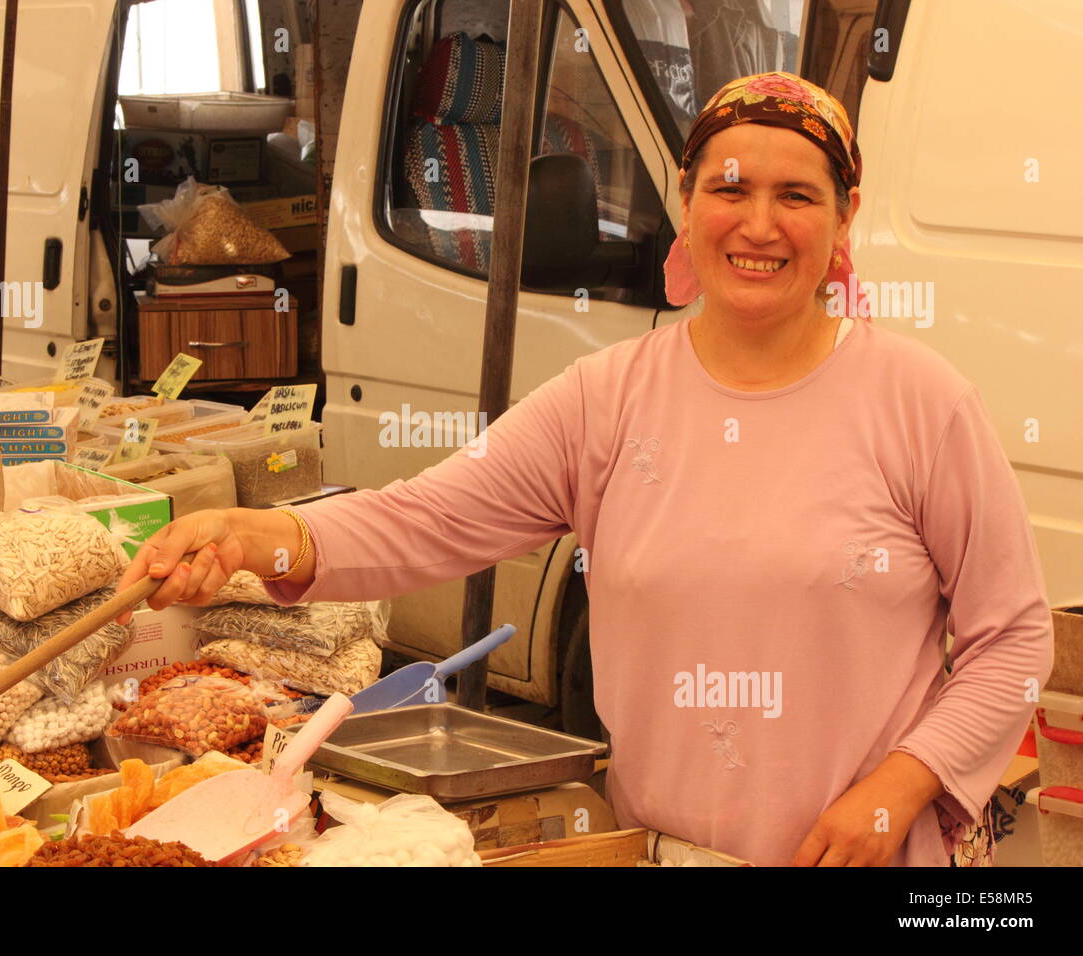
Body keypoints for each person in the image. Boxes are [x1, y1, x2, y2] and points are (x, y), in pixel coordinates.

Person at [118, 72, 1053, 867]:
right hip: (660, 846)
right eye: (729, 188)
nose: (759, 224)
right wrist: (260, 534)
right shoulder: (606, 399)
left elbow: (1011, 639)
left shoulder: (921, 404)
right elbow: (430, 517)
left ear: (843, 218)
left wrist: (895, 791)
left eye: (798, 196)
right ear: (688, 204)